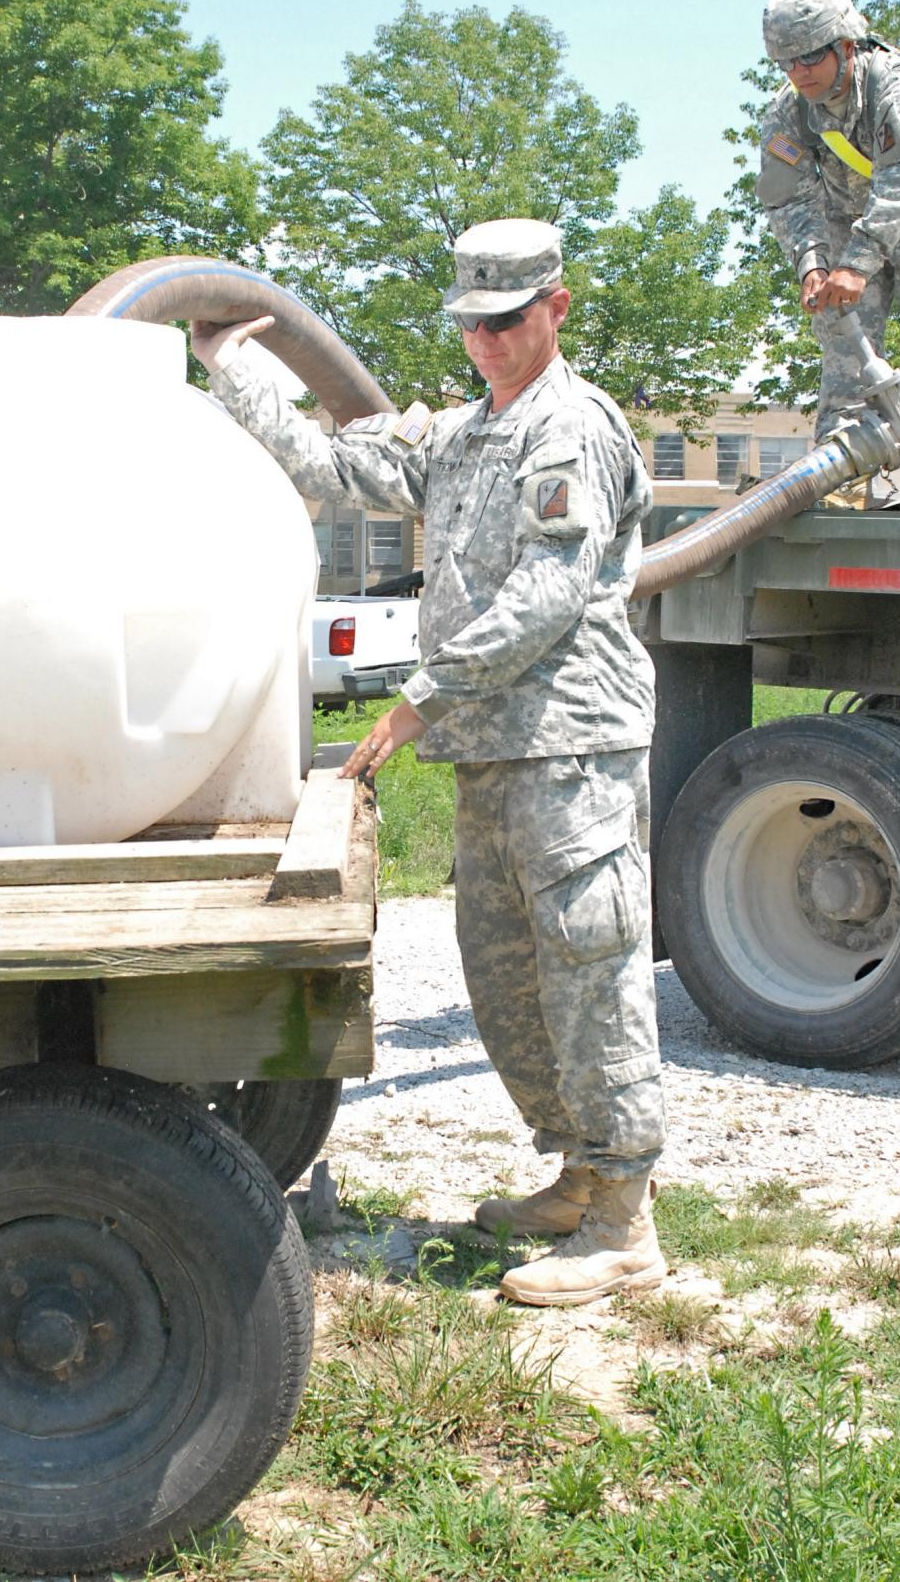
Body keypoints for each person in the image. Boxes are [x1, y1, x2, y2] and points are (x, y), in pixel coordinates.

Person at [190, 217, 667, 1308]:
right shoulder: (469, 432)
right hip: (497, 751)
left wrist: (420, 697)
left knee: (590, 967)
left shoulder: (570, 431)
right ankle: (577, 1170)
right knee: (507, 973)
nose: (487, 344)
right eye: (471, 326)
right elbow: (331, 460)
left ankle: (626, 1218)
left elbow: (548, 596)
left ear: (556, 307)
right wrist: (235, 366)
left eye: (507, 323)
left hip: (571, 742)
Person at [757, 0, 900, 507]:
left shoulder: (897, 88)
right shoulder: (787, 114)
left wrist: (857, 263)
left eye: (809, 57)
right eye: (786, 63)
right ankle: (841, 473)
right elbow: (789, 197)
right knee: (842, 337)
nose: (799, 73)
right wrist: (813, 264)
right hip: (846, 212)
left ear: (845, 45)